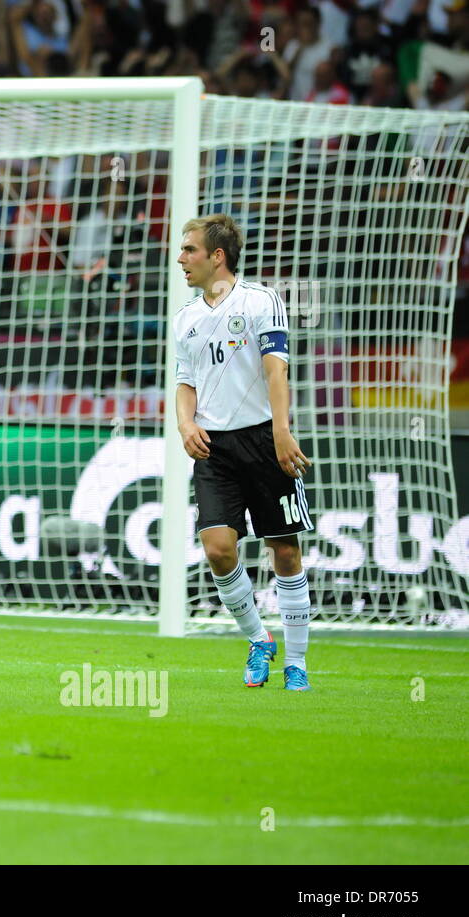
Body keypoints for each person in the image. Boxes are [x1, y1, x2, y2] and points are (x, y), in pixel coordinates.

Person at [174, 214, 314, 691]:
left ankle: (296, 662)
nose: (180, 259)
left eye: (189, 250)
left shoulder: (261, 301)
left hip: (263, 438)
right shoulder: (186, 317)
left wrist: (281, 431)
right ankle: (259, 641)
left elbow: (277, 371)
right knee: (217, 548)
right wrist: (185, 422)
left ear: (217, 256)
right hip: (214, 447)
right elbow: (184, 382)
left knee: (286, 552)